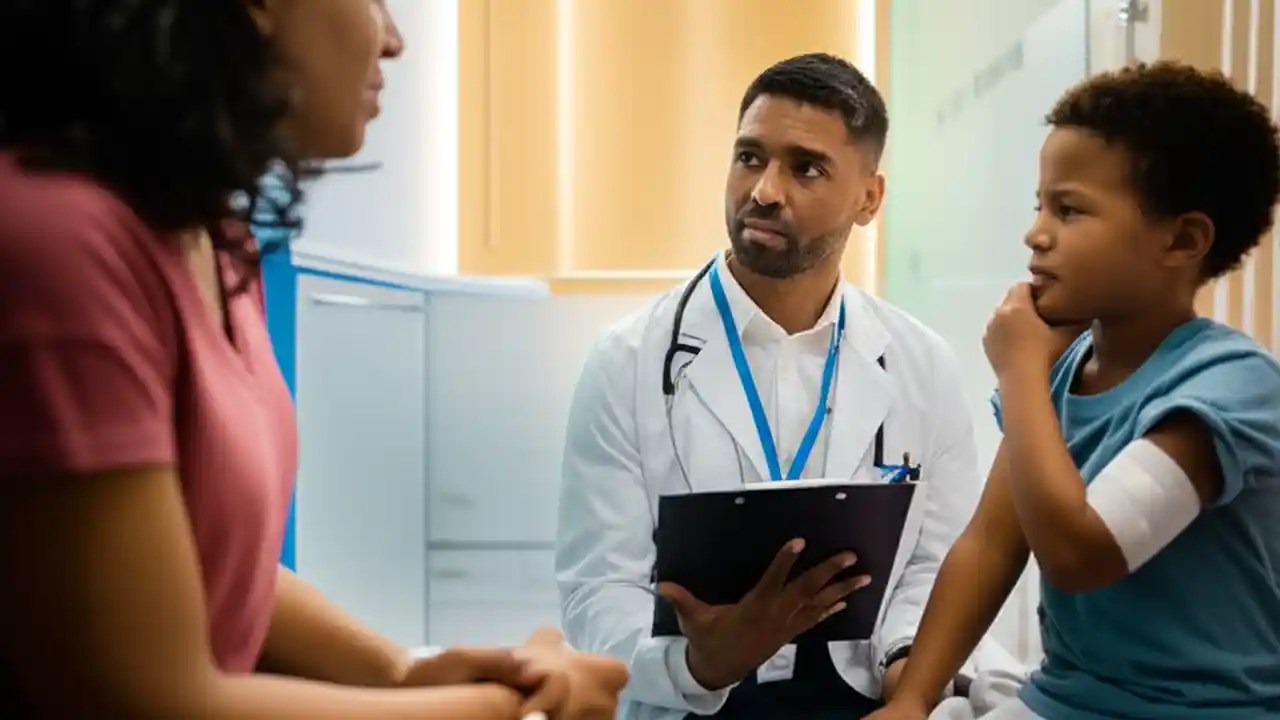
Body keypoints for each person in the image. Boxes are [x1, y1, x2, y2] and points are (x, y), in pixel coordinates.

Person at [0, 1, 627, 718]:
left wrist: (398, 673)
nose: (392, 40)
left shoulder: (213, 234)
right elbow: (147, 699)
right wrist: (510, 709)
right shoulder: (58, 242)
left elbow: (206, 563)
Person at [555, 53, 1017, 720]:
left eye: (805, 168)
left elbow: (935, 562)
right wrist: (697, 662)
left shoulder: (921, 365)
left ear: (868, 198)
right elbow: (597, 589)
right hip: (688, 701)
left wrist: (909, 673)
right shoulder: (627, 361)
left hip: (866, 698)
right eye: (749, 157)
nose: (765, 190)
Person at [870, 61, 1280, 720]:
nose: (1036, 232)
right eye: (1040, 205)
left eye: (1069, 209)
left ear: (1182, 239)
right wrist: (913, 699)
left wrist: (1021, 374)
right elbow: (989, 545)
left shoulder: (1230, 385)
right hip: (1066, 698)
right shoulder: (1059, 374)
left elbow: (1081, 553)